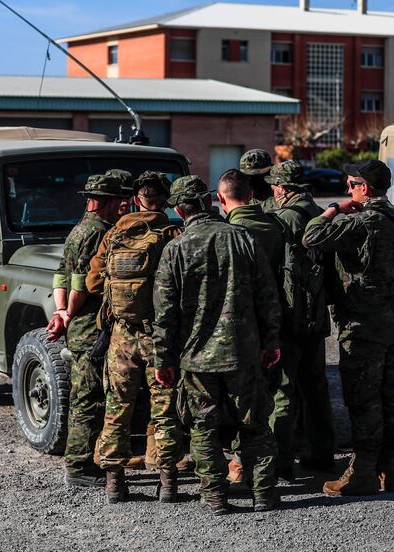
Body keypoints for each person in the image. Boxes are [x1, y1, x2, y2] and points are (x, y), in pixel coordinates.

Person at [153, 175, 282, 515]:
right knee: (255, 424)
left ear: (181, 211)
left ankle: (214, 497)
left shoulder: (175, 249)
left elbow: (165, 314)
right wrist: (271, 341)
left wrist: (162, 359)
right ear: (210, 202)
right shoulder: (243, 239)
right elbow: (268, 297)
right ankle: (264, 495)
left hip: (196, 359)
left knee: (203, 427)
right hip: (244, 351)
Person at [302, 159, 394, 496]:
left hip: (363, 323)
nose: (348, 190)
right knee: (389, 397)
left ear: (364, 188)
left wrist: (334, 209)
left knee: (363, 400)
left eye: (351, 185)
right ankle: (388, 469)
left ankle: (362, 472)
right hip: (393, 321)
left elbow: (312, 236)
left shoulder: (364, 222)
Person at [85, 171, 183, 504]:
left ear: (136, 199)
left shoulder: (115, 233)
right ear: (166, 201)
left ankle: (115, 483)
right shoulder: (173, 234)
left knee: (118, 407)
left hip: (123, 335)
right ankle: (168, 483)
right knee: (165, 407)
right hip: (161, 335)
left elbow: (92, 284)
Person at [47, 171, 131, 487]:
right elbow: (81, 284)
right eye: (118, 200)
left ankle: (85, 460)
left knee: (88, 393)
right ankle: (79, 467)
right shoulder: (98, 233)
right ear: (108, 201)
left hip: (80, 324)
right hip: (90, 328)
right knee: (89, 397)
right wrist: (70, 311)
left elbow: (60, 274)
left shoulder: (79, 229)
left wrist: (61, 312)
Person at [268, 160, 337, 477]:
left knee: (284, 390)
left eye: (274, 186)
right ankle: (323, 452)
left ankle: (282, 460)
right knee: (316, 387)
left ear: (282, 188)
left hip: (290, 315)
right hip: (315, 313)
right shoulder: (318, 212)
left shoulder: (284, 220)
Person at [217, 169, 286, 484]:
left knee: (235, 400)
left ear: (222, 198)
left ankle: (239, 465)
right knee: (265, 397)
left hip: (235, 327)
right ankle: (272, 462)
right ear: (251, 195)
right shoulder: (276, 225)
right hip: (273, 322)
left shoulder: (229, 233)